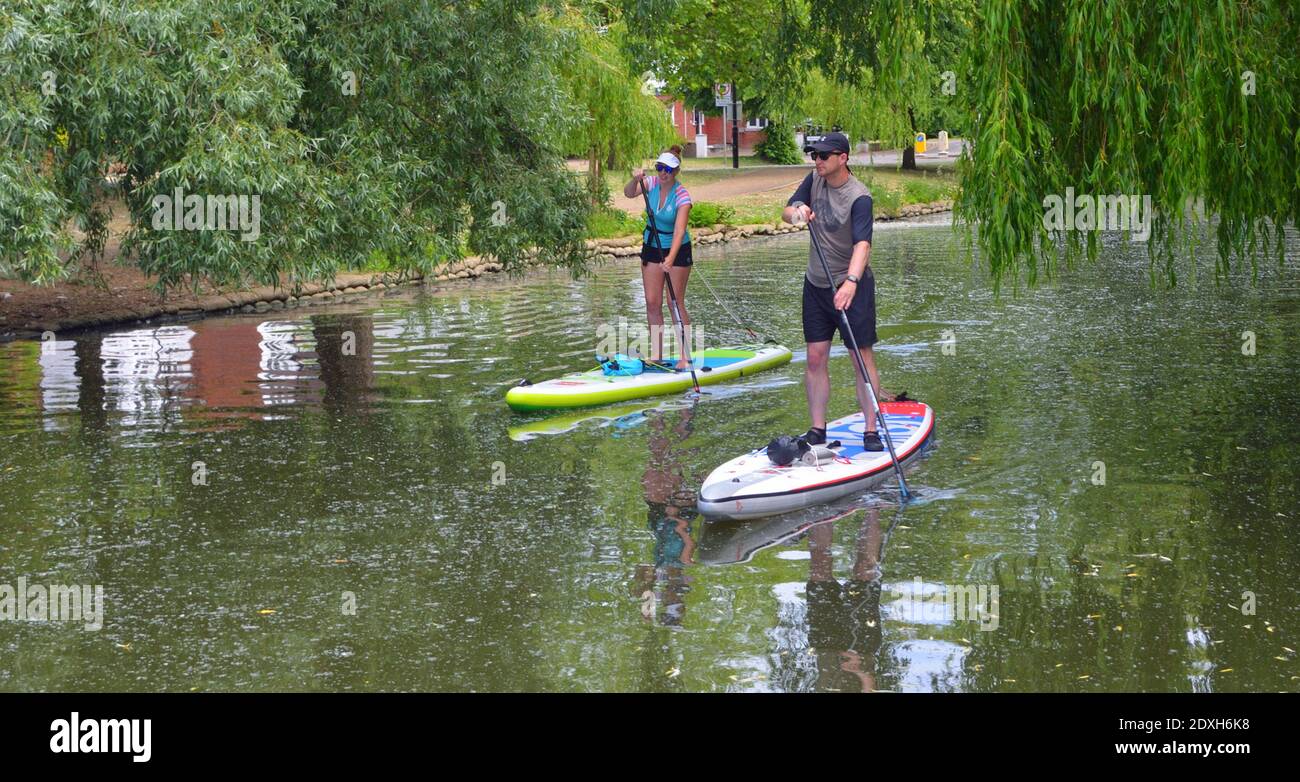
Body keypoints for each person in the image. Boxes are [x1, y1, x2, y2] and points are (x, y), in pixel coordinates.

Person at [780, 131, 884, 451]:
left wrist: (850, 283)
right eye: (815, 155)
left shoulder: (860, 197)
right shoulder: (814, 179)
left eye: (824, 156)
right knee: (814, 357)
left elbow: (863, 245)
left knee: (860, 359)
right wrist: (797, 212)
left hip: (851, 284)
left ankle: (870, 430)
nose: (818, 161)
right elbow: (787, 210)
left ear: (843, 158)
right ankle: (817, 428)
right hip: (816, 284)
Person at [624, 145, 693, 370]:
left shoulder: (682, 196)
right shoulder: (651, 183)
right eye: (660, 168)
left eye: (669, 170)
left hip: (677, 249)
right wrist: (635, 180)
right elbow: (628, 193)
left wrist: (671, 258)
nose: (664, 173)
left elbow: (679, 230)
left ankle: (685, 356)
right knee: (653, 303)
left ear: (676, 172)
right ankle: (657, 355)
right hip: (652, 246)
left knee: (674, 303)